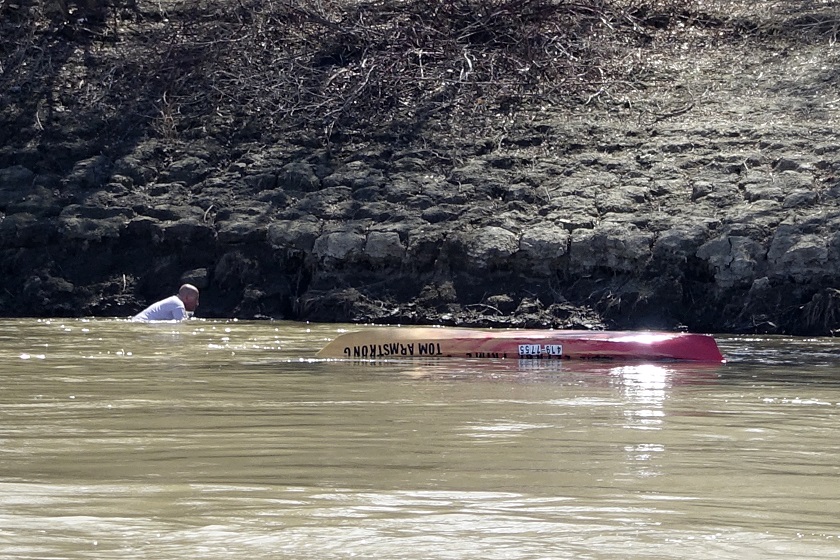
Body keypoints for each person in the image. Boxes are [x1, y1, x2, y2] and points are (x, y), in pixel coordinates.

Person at [132, 284, 199, 322]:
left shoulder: (174, 301)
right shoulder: (178, 305)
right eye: (196, 299)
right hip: (141, 323)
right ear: (186, 298)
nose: (197, 303)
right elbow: (181, 325)